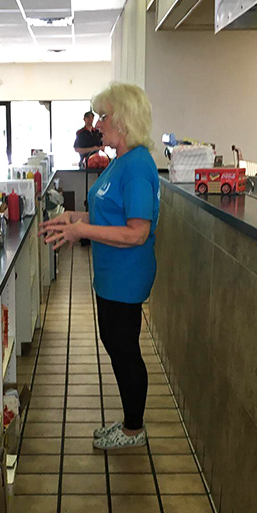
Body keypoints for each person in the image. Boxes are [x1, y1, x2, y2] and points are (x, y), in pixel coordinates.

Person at [40, 83, 160, 450]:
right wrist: (73, 219)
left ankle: (133, 430)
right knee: (115, 343)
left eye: (104, 116)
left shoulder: (138, 165)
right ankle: (129, 421)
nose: (98, 125)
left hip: (127, 275)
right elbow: (109, 213)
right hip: (110, 275)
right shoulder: (120, 161)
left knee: (124, 349)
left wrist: (81, 231)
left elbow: (138, 232)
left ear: (123, 120)